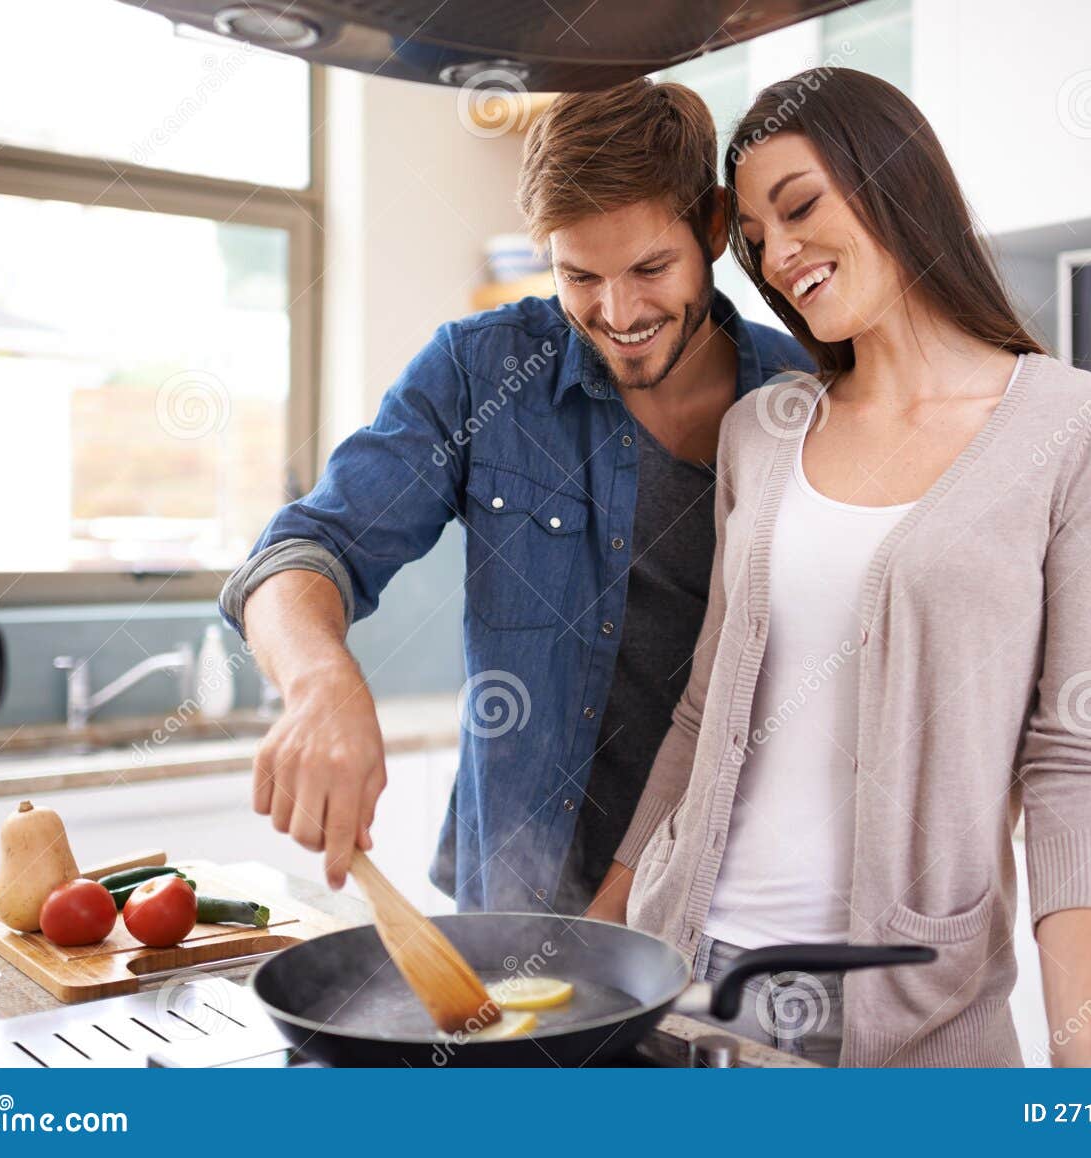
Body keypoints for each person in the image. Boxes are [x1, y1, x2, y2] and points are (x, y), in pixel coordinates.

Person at [584, 69, 1091, 1068]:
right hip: (688, 983)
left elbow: (1074, 759)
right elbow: (700, 712)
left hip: (908, 1010)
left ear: (897, 178)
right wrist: (602, 941)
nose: (782, 255)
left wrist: (1087, 1040)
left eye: (801, 206)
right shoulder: (761, 432)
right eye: (757, 241)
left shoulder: (1085, 430)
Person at [220, 78, 810, 912]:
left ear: (713, 227)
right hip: (518, 906)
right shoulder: (481, 372)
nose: (618, 313)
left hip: (736, 908)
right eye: (579, 276)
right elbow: (302, 551)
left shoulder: (806, 397)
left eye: (650, 267)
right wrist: (320, 679)